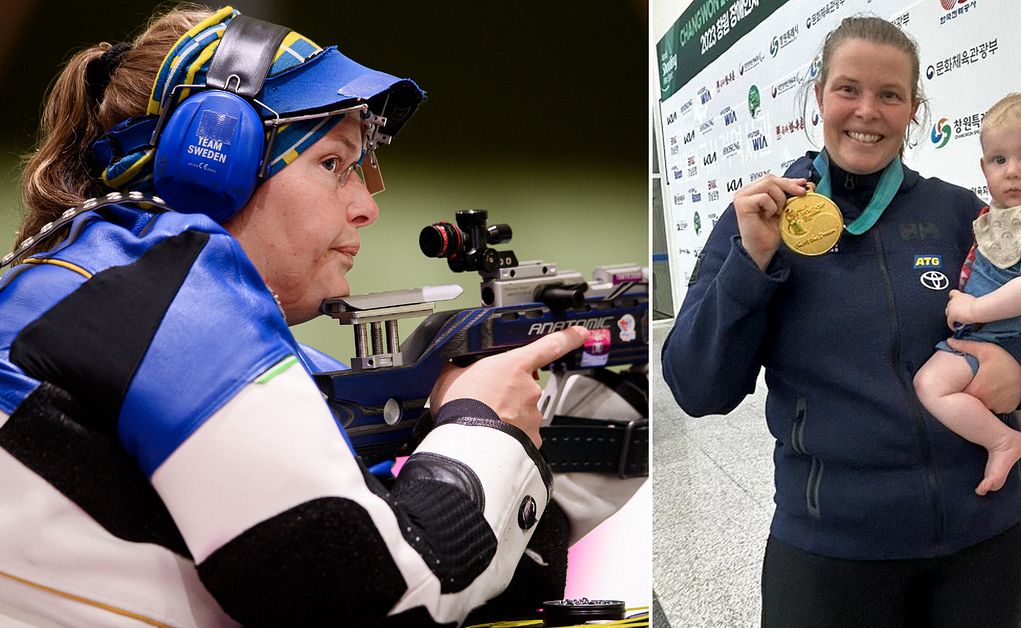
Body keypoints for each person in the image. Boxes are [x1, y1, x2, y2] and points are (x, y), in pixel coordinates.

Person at [0, 5, 590, 626]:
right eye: (333, 164)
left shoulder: (94, 284)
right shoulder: (165, 298)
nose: (366, 206)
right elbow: (377, 598)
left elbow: (470, 573)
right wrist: (481, 422)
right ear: (214, 167)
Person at [661, 15, 1021, 628]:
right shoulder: (763, 221)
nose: (867, 110)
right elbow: (699, 388)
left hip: (986, 530)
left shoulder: (960, 210)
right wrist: (751, 263)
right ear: (819, 96)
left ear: (914, 108)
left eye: (890, 95)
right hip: (832, 548)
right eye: (848, 89)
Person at [914, 90, 1021, 497]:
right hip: (993, 336)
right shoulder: (1000, 217)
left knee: (930, 385)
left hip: (993, 336)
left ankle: (1003, 442)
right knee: (1018, 402)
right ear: (984, 166)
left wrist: (973, 307)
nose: (1012, 172)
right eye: (1000, 160)